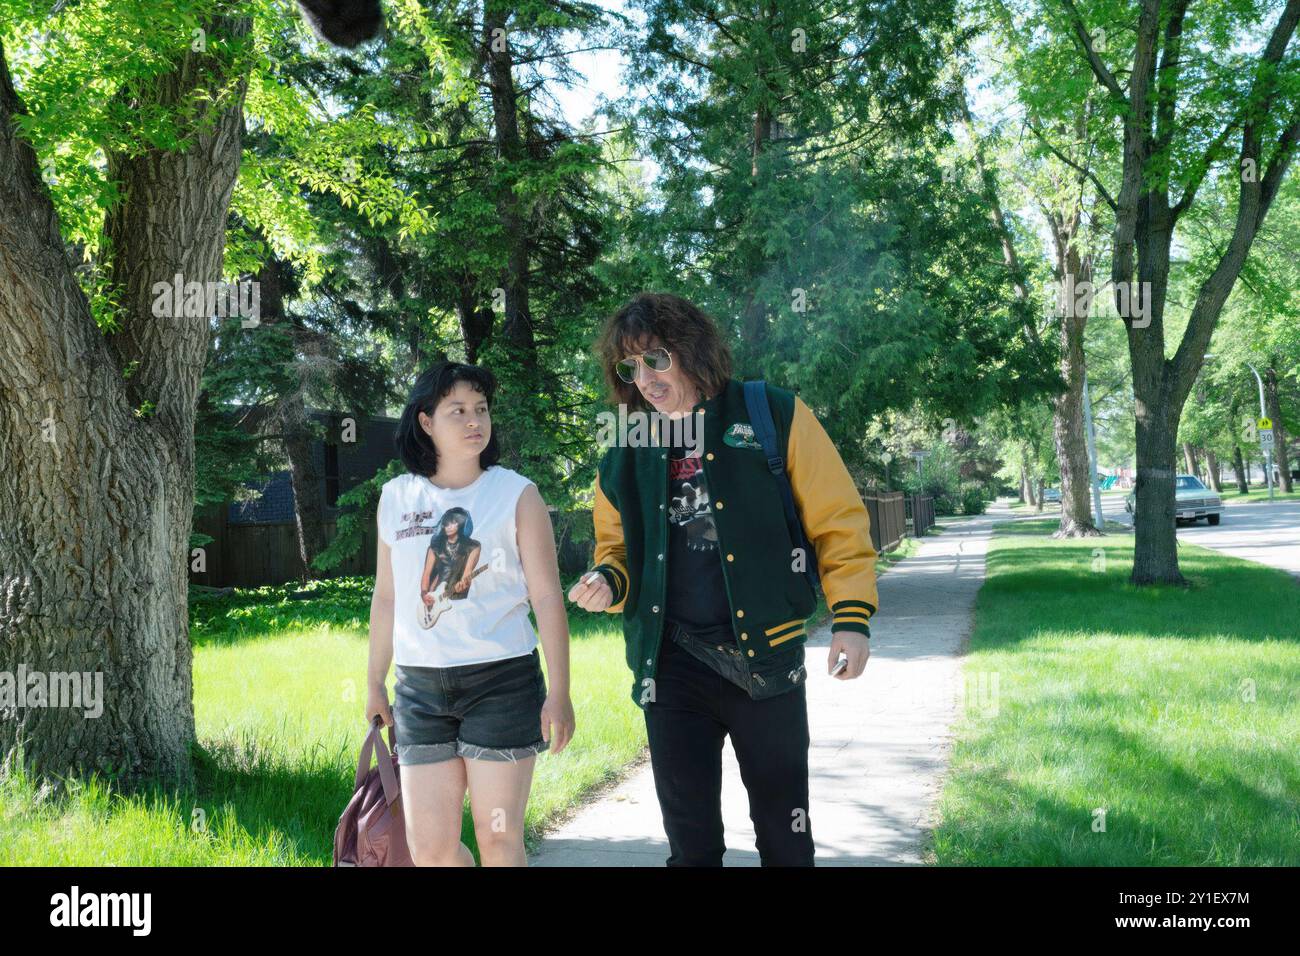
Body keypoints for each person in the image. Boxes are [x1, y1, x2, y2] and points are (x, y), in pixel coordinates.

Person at [567, 292, 879, 866]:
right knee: (691, 849)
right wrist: (608, 583)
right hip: (671, 669)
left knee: (785, 840)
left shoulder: (770, 413)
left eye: (656, 358)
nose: (645, 380)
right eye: (629, 368)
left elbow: (838, 521)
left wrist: (852, 619)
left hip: (766, 657)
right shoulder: (629, 443)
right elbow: (616, 551)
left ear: (692, 350)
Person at [367, 361, 575, 866]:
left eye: (480, 409)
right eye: (456, 410)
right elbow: (387, 597)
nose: (473, 421)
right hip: (419, 692)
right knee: (430, 849)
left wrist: (561, 692)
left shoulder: (516, 494)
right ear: (425, 422)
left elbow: (547, 597)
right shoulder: (397, 498)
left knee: (497, 837)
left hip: (501, 685)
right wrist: (374, 680)